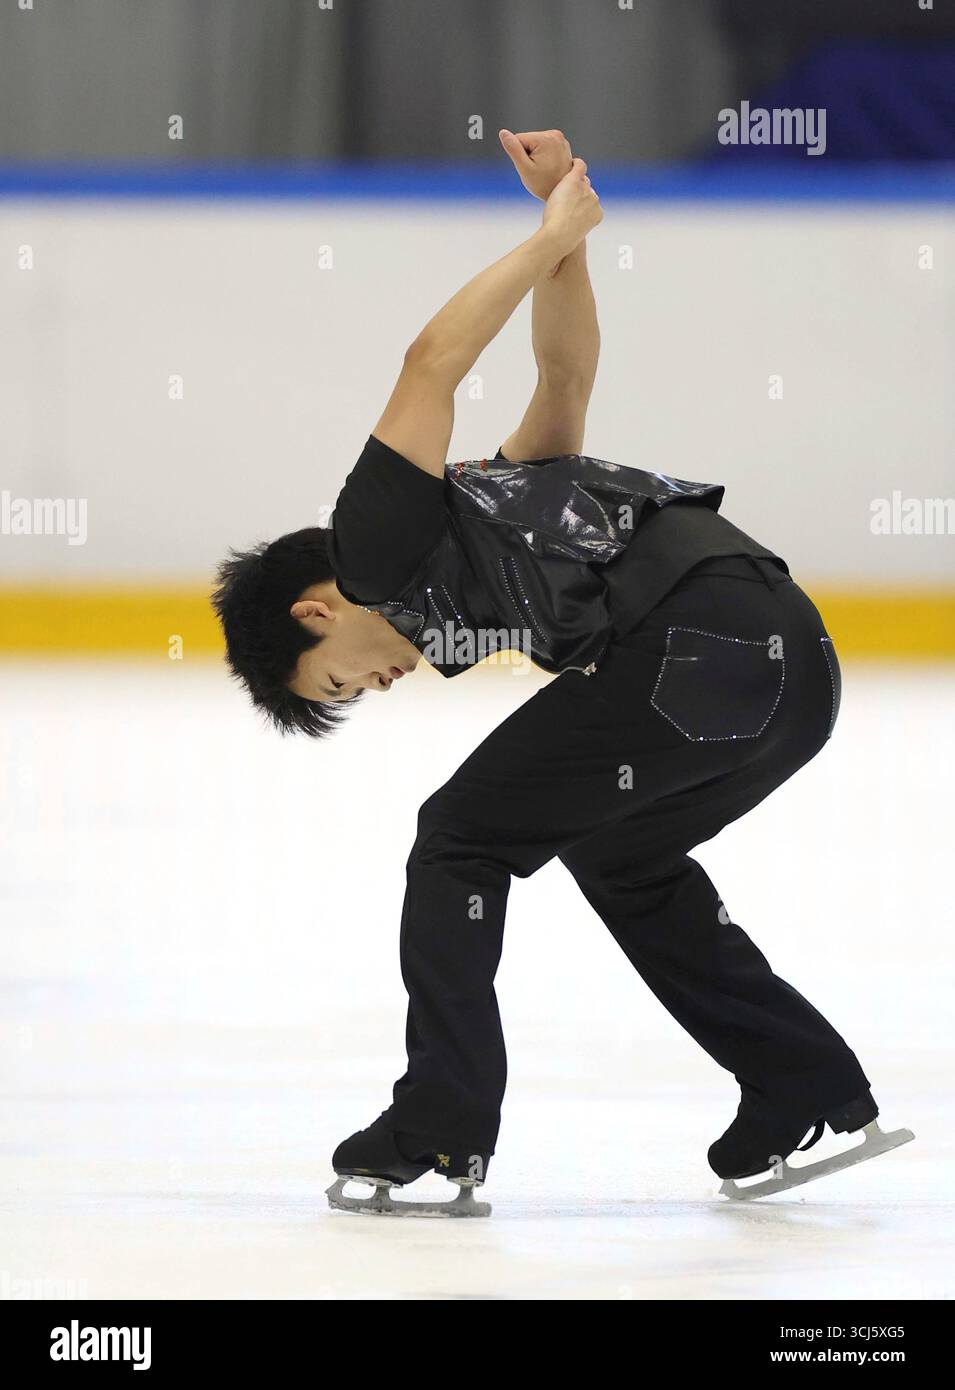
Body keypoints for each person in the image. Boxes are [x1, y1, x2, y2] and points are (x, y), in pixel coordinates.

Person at [213, 130, 908, 1215]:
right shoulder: (503, 506)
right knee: (620, 852)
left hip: (697, 651)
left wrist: (552, 233)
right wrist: (569, 239)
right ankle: (801, 1081)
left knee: (457, 835)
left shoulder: (373, 544)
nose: (373, 690)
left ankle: (440, 1126)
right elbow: (566, 371)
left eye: (338, 683)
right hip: (792, 666)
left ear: (315, 611)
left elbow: (429, 362)